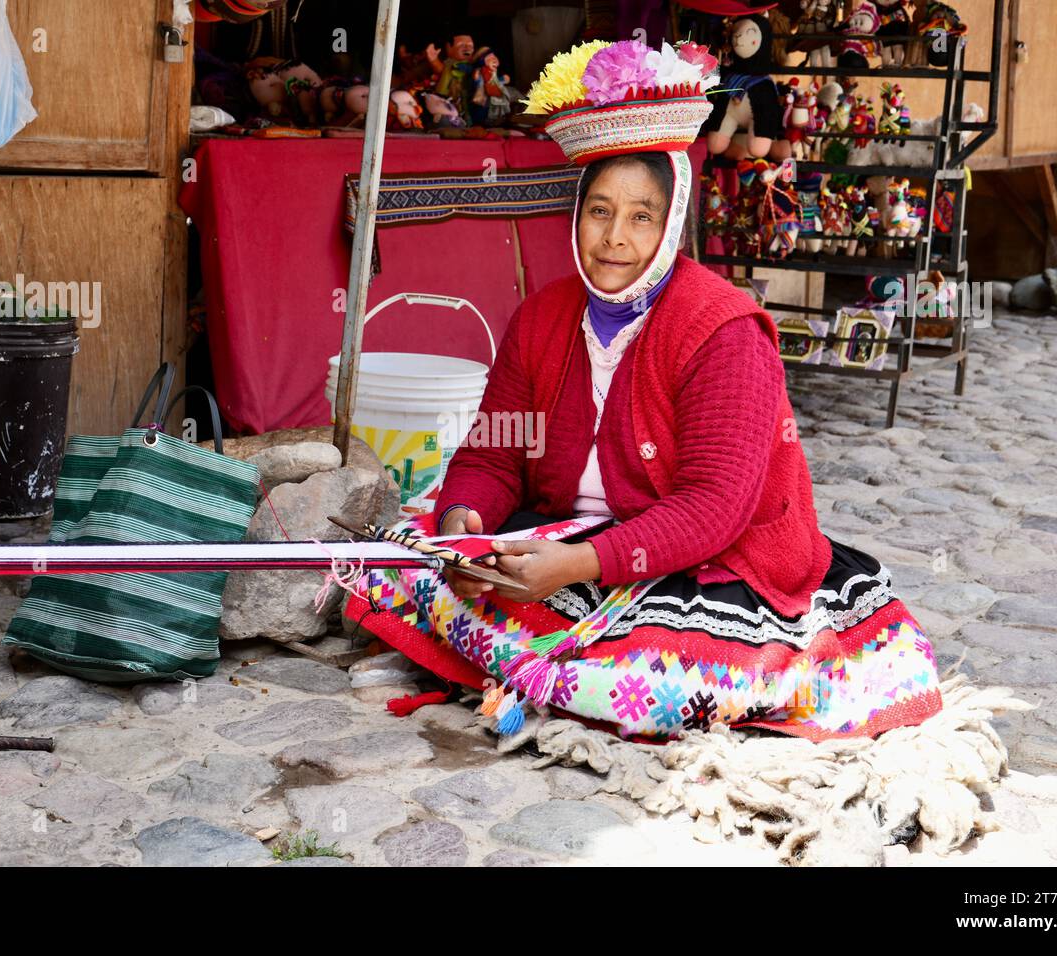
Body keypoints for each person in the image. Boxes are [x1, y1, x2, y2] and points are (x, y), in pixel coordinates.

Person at [344, 40, 942, 742]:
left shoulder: (722, 330)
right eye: (599, 211)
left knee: (667, 677)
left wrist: (576, 564)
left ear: (670, 222)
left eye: (639, 216)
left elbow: (714, 507)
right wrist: (463, 531)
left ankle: (508, 661)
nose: (615, 239)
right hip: (567, 543)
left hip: (708, 564)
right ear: (575, 216)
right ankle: (525, 656)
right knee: (401, 559)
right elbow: (492, 454)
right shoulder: (540, 317)